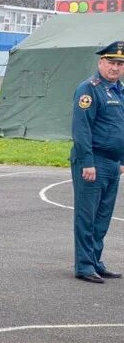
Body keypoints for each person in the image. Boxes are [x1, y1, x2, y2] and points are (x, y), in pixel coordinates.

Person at [70, 41, 124, 283]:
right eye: (111, 62)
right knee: (87, 216)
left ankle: (95, 261)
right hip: (94, 162)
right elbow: (81, 130)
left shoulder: (119, 90)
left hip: (113, 163)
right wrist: (88, 162)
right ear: (100, 62)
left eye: (120, 64)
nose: (115, 68)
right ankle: (84, 265)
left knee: (103, 216)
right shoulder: (89, 89)